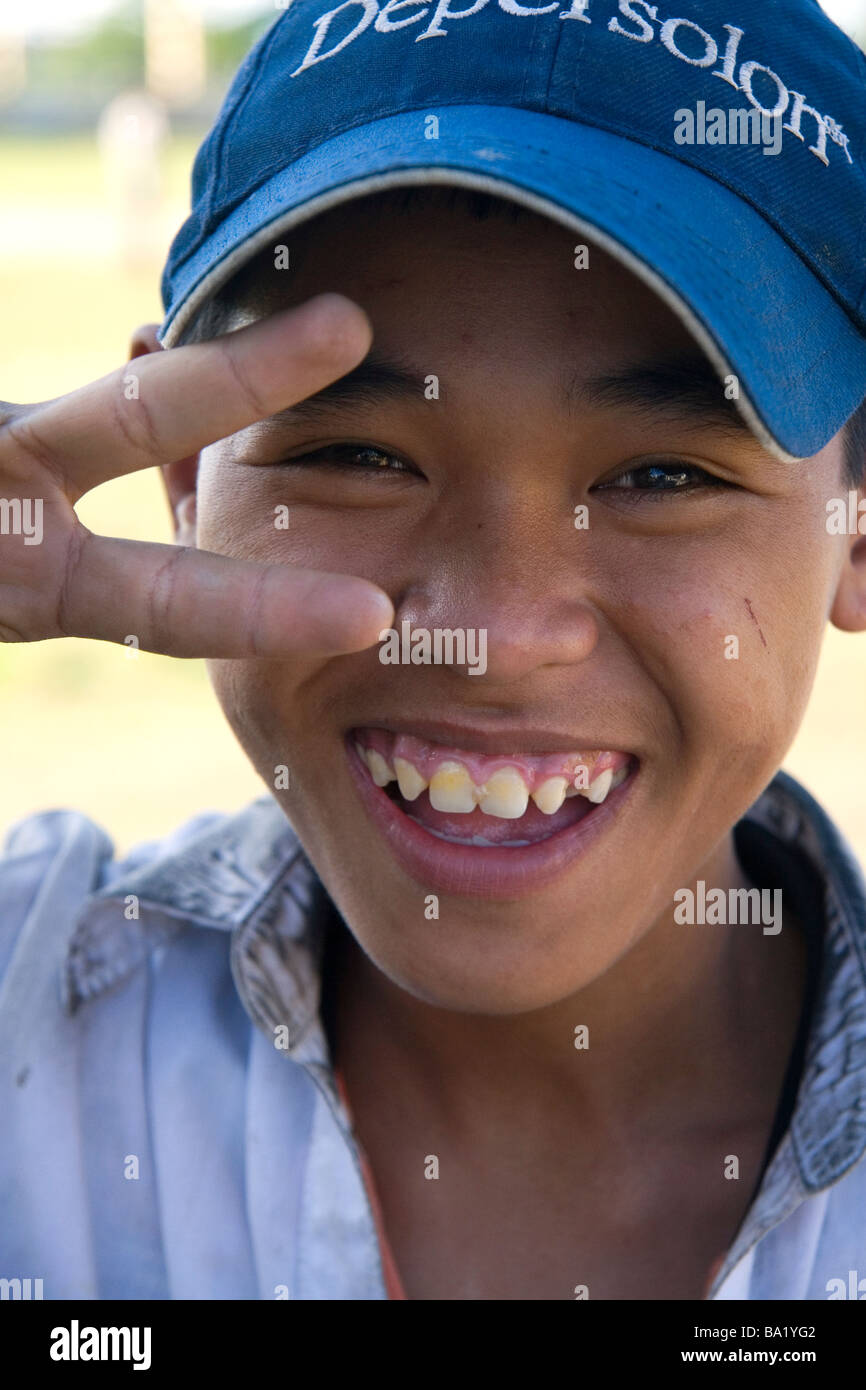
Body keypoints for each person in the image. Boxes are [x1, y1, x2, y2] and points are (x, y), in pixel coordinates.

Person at [2, 0, 866, 1301]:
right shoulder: (37, 1024)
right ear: (184, 474)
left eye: (656, 472)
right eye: (356, 455)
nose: (499, 635)